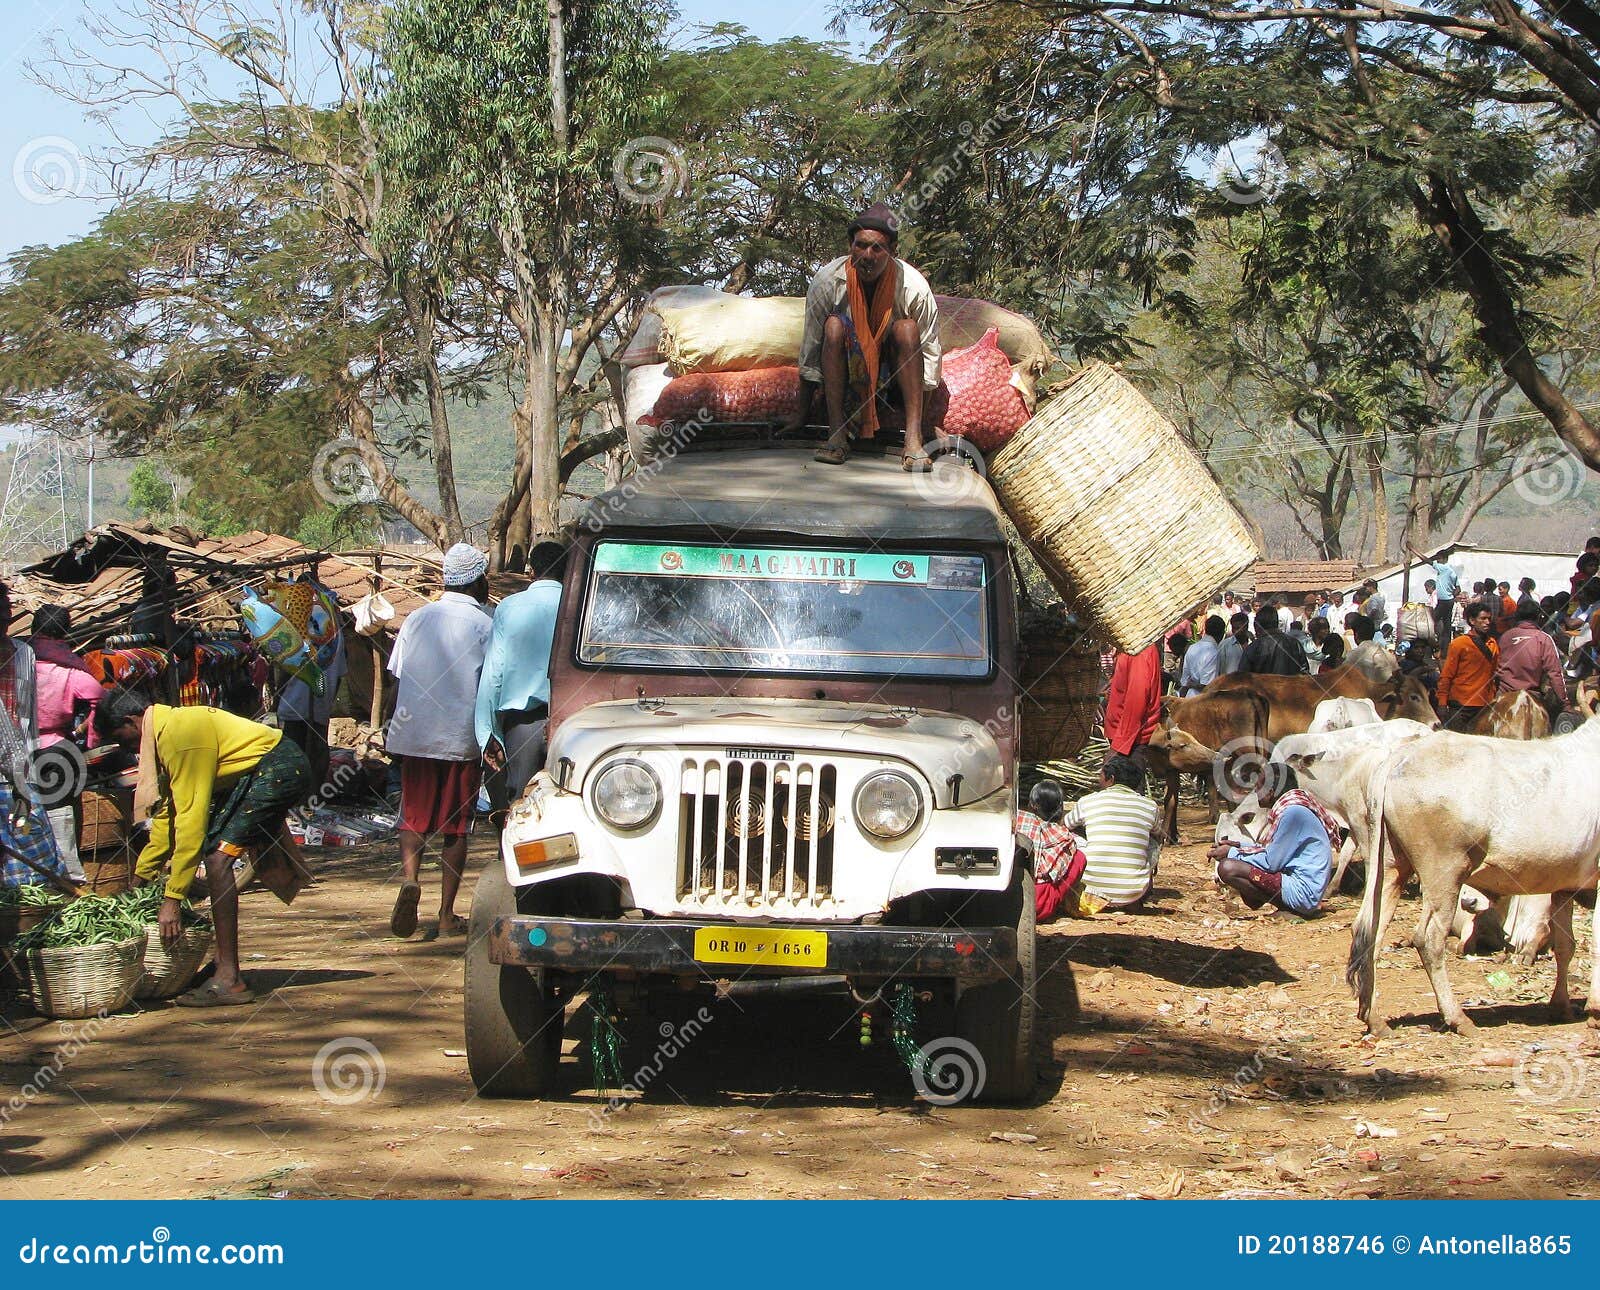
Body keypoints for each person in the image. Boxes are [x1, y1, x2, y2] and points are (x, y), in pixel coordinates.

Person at [96, 690, 312, 1006]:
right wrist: (140, 878)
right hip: (261, 768)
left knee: (217, 858)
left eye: (122, 738)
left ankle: (229, 979)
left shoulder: (180, 736)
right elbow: (169, 815)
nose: (128, 748)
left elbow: (190, 823)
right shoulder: (167, 730)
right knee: (215, 853)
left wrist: (173, 899)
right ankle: (222, 963)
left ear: (131, 721)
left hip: (278, 766)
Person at [386, 543, 494, 941]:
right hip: (460, 737)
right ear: (479, 581)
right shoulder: (486, 625)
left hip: (415, 734)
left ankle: (411, 879)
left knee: (412, 817)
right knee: (456, 828)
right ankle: (446, 914)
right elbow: (491, 683)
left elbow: (398, 674)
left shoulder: (416, 619)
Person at [785, 202, 943, 470]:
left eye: (877, 248)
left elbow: (929, 356)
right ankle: (837, 436)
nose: (867, 255)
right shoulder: (827, 282)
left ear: (892, 252)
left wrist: (924, 426)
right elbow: (811, 348)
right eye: (860, 245)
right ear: (850, 246)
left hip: (892, 381)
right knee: (834, 326)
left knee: (907, 329)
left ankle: (912, 443)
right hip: (847, 380)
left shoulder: (913, 287)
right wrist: (801, 415)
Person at [476, 541, 565, 822]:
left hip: (521, 726)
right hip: (571, 723)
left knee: (521, 805)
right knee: (567, 800)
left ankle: (513, 861)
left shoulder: (509, 607)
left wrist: (487, 731)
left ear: (531, 571)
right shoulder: (580, 603)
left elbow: (494, 673)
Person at [28, 604, 106, 882]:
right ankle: (69, 878)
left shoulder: (15, 661)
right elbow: (100, 698)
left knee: (20, 813)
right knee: (60, 814)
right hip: (57, 750)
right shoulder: (70, 670)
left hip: (16, 750)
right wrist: (91, 734)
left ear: (33, 628)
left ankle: (30, 879)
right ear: (66, 632)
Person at [0, 584, 68, 890]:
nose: (4, 616)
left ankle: (32, 910)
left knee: (32, 841)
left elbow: (29, 714)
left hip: (19, 769)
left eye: (6, 608)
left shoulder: (23, 653)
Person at [1207, 764, 1335, 916]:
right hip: (1306, 890)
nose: (1255, 792)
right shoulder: (1294, 809)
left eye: (1259, 787)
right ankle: (1290, 907)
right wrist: (1239, 846)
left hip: (1303, 893)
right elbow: (1274, 851)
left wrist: (1232, 852)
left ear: (1271, 792)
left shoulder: (1293, 813)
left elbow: (1271, 862)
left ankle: (1291, 909)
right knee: (1238, 864)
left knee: (1228, 868)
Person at [1063, 754, 1163, 910]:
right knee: (1153, 843)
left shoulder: (1088, 801)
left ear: (1111, 778)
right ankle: (1139, 890)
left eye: (1101, 775)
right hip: (1134, 892)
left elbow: (1064, 826)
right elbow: (1158, 834)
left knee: (1069, 836)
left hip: (1090, 887)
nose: (1099, 779)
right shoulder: (1150, 806)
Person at [277, 618, 346, 803]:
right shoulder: (336, 631)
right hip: (316, 704)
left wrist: (277, 698)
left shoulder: (296, 628)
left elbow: (283, 670)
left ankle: (301, 799)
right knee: (314, 750)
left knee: (296, 753)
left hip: (296, 703)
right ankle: (309, 798)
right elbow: (339, 675)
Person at [1016, 779, 1089, 921]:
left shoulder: (1017, 819)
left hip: (1009, 899)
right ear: (1060, 807)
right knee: (1079, 857)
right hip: (1041, 904)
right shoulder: (1064, 836)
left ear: (1032, 805)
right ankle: (1063, 904)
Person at [1495, 602, 1568, 714]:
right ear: (1539, 617)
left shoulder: (1505, 636)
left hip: (1503, 694)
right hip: (1531, 696)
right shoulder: (1544, 639)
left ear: (1516, 618)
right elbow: (1555, 673)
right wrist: (1565, 703)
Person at [1437, 601, 1498, 730]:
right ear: (1472, 620)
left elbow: (1494, 675)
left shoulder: (1493, 644)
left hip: (1484, 705)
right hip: (1460, 705)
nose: (1487, 622)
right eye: (1483, 618)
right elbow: (1447, 675)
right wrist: (1442, 703)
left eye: (1489, 619)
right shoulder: (1459, 644)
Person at [1104, 644, 1163, 771]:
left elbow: (1136, 701)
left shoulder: (1139, 651)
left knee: (1126, 786)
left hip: (1131, 742)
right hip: (1126, 738)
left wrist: (1119, 746)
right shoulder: (1131, 649)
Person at [1242, 606, 1309, 675]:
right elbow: (1305, 674)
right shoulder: (1295, 643)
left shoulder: (1254, 647)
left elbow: (1242, 678)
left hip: (1263, 685)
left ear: (1257, 626)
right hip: (1290, 685)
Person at [1414, 549, 1459, 642]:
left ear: (1444, 559)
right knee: (1446, 625)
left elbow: (1427, 561)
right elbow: (1458, 588)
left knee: (1430, 621)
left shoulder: (1444, 568)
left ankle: (1428, 642)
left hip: (1444, 601)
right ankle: (1445, 649)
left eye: (1439, 559)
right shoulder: (1451, 572)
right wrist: (1451, 596)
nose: (1437, 561)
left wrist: (1413, 550)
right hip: (1448, 601)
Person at [1345, 613, 1398, 683]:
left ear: (1356, 635)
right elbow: (1398, 676)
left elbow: (1344, 677)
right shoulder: (1388, 655)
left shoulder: (1352, 656)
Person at [1178, 615, 1224, 696]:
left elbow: (1184, 681)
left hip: (1189, 698)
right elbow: (1208, 686)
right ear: (1222, 633)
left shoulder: (1192, 647)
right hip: (1202, 701)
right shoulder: (1212, 652)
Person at [1217, 611, 1251, 675]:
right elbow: (1220, 669)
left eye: (1241, 628)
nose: (1238, 631)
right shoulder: (1225, 645)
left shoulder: (1253, 644)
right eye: (1235, 628)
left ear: (1246, 627)